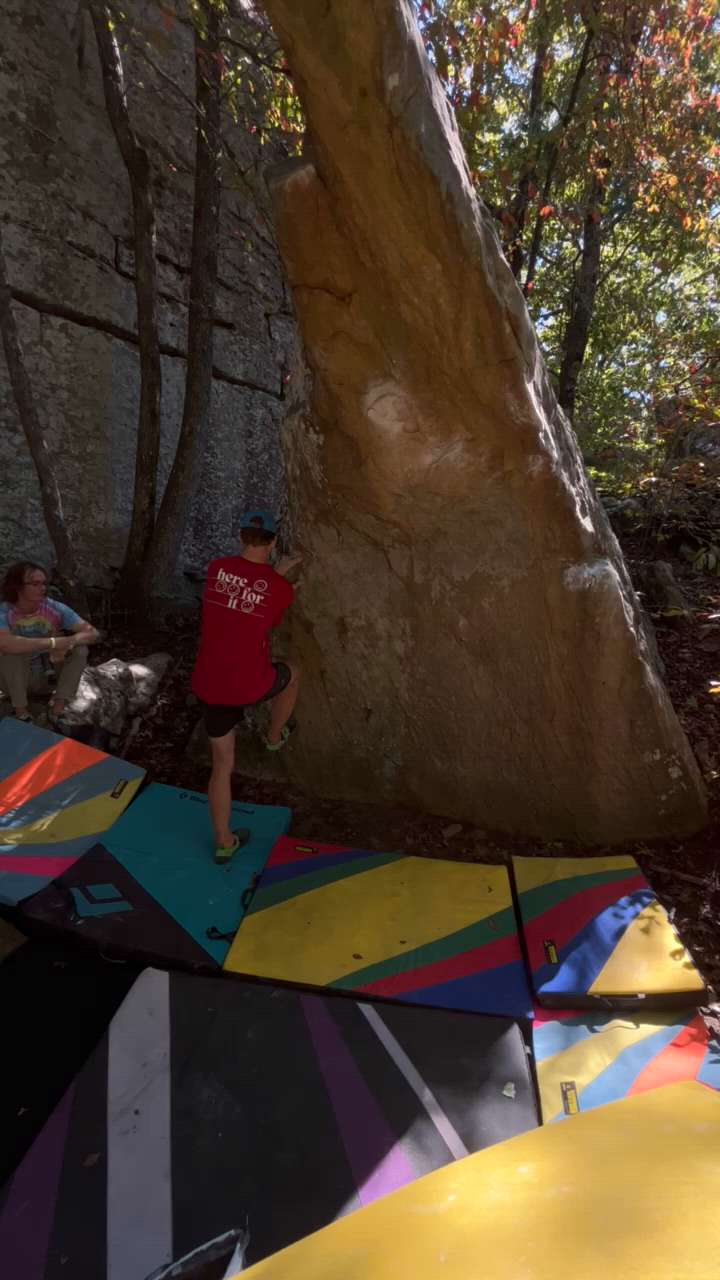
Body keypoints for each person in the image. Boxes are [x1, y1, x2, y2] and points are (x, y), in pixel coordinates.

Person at [191, 510, 302, 864]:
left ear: (241, 537)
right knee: (293, 673)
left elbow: (244, 589)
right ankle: (273, 736)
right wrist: (279, 578)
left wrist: (272, 576)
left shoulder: (216, 568)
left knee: (222, 764)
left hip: (210, 683)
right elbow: (266, 609)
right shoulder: (279, 589)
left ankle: (224, 840)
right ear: (271, 543)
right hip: (251, 683)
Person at [0, 561, 99, 725]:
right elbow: (5, 643)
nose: (42, 588)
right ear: (17, 586)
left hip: (49, 676)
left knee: (80, 649)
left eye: (44, 583)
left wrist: (70, 641)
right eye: (35, 583)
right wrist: (52, 643)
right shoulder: (4, 611)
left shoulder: (54, 608)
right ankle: (21, 712)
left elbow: (92, 633)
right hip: (14, 681)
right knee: (12, 651)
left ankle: (58, 709)